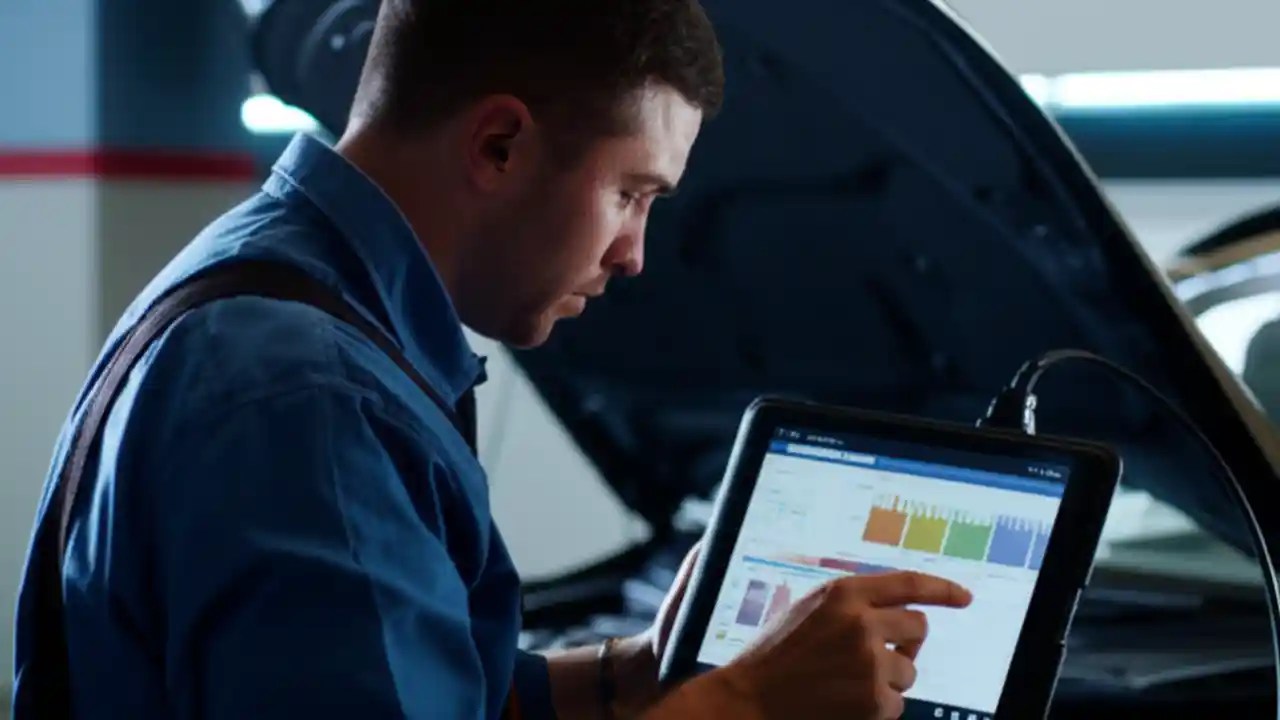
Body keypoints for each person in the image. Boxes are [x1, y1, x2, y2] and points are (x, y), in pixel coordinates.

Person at [12, 1, 972, 718]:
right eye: (632, 193)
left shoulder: (272, 288)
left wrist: (633, 672)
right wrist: (754, 705)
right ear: (501, 143)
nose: (634, 254)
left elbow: (418, 684)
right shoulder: (309, 395)